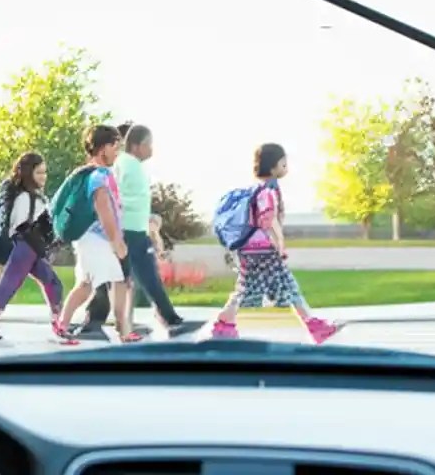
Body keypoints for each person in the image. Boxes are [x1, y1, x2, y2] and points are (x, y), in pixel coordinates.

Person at [210, 143, 340, 344]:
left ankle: (224, 325)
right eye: (283, 163)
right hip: (263, 249)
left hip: (250, 249)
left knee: (251, 287)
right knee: (285, 287)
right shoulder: (267, 191)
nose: (286, 167)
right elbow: (268, 221)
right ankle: (315, 326)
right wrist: (280, 242)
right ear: (273, 167)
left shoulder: (258, 189)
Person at [79, 123, 187, 337]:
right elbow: (114, 195)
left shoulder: (129, 164)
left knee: (124, 279)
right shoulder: (127, 165)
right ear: (137, 146)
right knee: (145, 275)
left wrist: (149, 222)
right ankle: (168, 318)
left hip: (133, 228)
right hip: (130, 231)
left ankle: (119, 323)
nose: (152, 149)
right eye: (149, 144)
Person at [0, 152, 73, 343]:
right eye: (39, 173)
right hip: (26, 246)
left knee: (52, 282)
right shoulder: (26, 197)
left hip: (30, 247)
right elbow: (20, 225)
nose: (43, 177)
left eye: (45, 172)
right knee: (12, 281)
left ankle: (58, 322)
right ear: (29, 174)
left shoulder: (33, 196)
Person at [55, 125, 135, 343]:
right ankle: (124, 330)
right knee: (118, 280)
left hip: (88, 239)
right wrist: (117, 241)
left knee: (85, 285)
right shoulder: (99, 176)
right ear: (103, 148)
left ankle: (61, 326)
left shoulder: (92, 173)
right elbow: (104, 211)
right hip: (95, 239)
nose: (117, 152)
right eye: (114, 147)